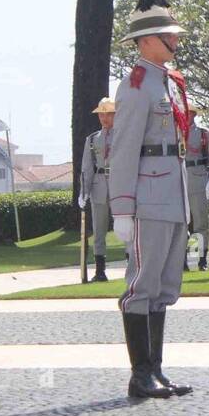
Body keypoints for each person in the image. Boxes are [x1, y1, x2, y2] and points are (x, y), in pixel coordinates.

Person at [108, 0, 193, 399]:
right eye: (168, 36)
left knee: (163, 286)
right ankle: (140, 374)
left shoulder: (168, 82)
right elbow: (122, 148)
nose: (175, 41)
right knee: (141, 284)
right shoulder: (138, 85)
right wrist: (122, 207)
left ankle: (155, 369)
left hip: (172, 193)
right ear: (145, 42)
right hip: (145, 195)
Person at [79, 98, 117, 282]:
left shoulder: (124, 135)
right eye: (101, 114)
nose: (104, 117)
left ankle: (131, 266)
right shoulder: (93, 139)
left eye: (108, 113)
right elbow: (87, 167)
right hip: (99, 185)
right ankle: (100, 271)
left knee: (127, 228)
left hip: (120, 183)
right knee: (99, 231)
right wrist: (84, 191)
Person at [184, 108, 209, 271]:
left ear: (194, 115)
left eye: (188, 112)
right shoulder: (174, 132)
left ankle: (199, 258)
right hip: (179, 181)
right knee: (181, 223)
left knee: (200, 222)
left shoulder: (204, 134)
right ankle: (182, 259)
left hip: (198, 179)